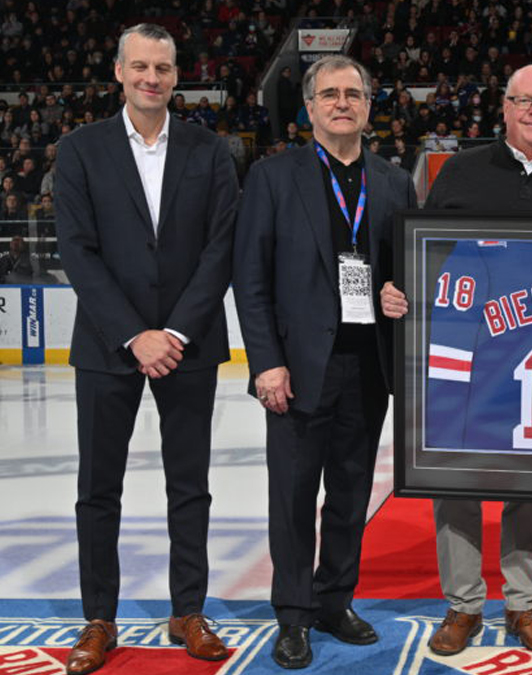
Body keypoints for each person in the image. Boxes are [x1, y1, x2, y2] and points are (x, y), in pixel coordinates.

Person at [382, 63, 532, 657]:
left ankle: (522, 601)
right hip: (469, 357)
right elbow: (423, 255)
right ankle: (463, 605)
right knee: (454, 477)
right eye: (523, 100)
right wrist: (399, 287)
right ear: (503, 108)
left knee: (530, 482)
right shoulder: (460, 171)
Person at [53, 23, 237, 675]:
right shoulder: (79, 150)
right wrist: (136, 333)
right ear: (119, 72)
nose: (151, 77)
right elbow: (77, 250)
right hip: (109, 345)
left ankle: (188, 608)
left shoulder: (211, 151)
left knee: (189, 485)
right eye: (139, 66)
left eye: (162, 67)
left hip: (190, 344)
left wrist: (177, 331)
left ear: (175, 74)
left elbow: (221, 248)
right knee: (97, 488)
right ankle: (98, 617)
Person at [232, 54, 417, 670]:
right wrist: (266, 364)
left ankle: (335, 599)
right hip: (297, 368)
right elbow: (250, 279)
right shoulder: (273, 177)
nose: (343, 102)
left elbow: (406, 275)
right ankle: (293, 612)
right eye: (330, 93)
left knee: (350, 494)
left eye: (354, 93)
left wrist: (400, 293)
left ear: (369, 106)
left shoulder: (393, 181)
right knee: (291, 496)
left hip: (368, 366)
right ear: (309, 108)